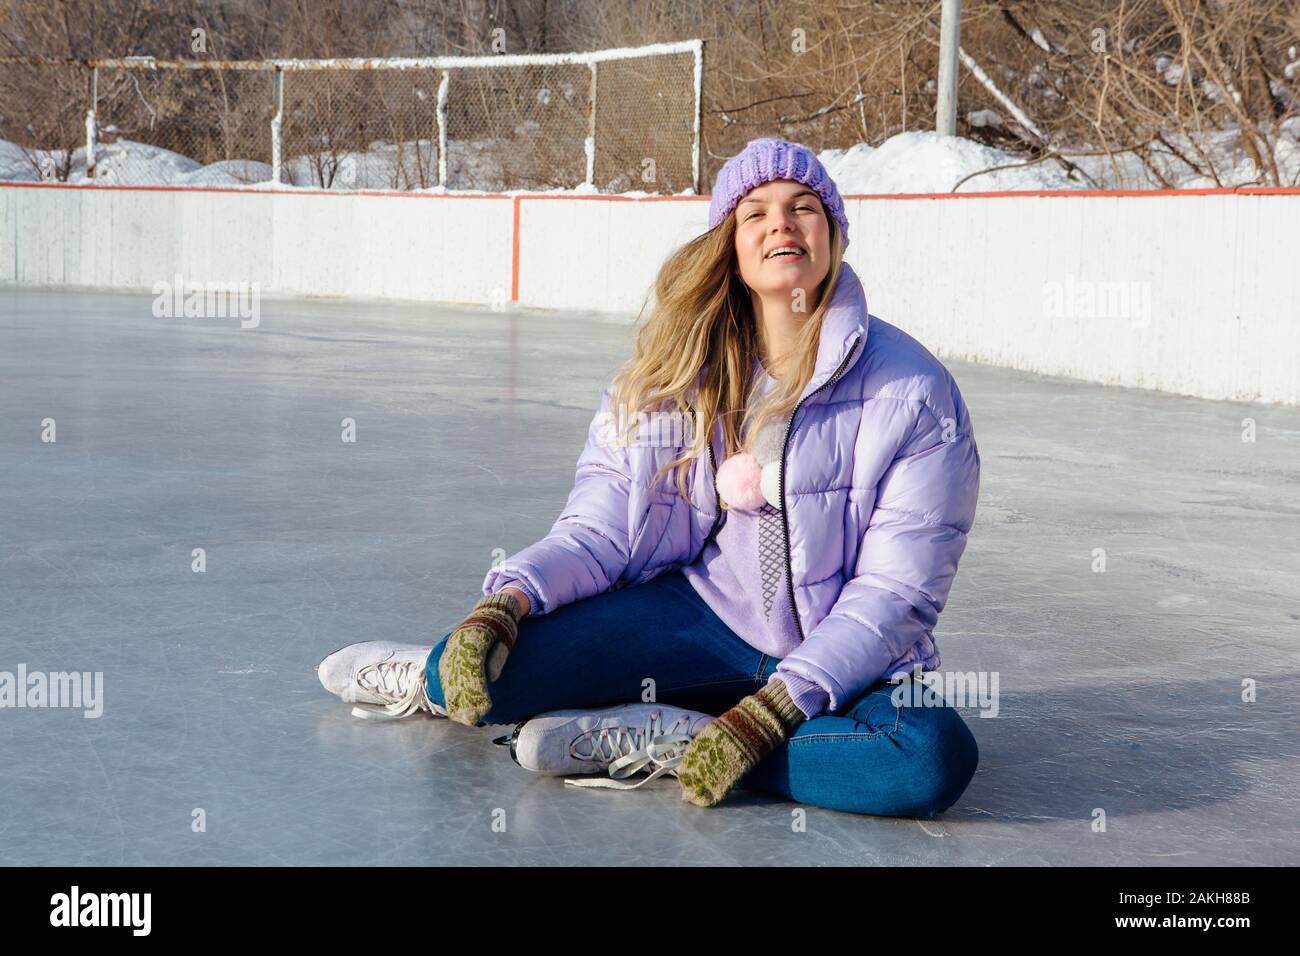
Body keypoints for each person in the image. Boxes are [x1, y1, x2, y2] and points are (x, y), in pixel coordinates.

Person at [318, 137, 982, 817]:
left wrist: (778, 708)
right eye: (755, 213)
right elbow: (603, 526)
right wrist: (508, 600)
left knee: (926, 757)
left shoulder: (914, 391)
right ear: (729, 244)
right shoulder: (676, 371)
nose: (780, 222)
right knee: (488, 672)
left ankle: (677, 738)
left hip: (849, 656)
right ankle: (427, 678)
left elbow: (894, 594)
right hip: (705, 618)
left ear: (833, 236)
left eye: (802, 206)